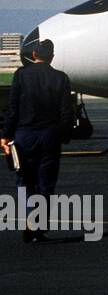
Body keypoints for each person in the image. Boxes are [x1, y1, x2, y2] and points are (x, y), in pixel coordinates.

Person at [1, 38, 74, 243]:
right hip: (49, 135)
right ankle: (39, 227)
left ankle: (29, 221)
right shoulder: (61, 78)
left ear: (34, 55)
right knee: (46, 183)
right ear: (51, 56)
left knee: (25, 180)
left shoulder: (21, 75)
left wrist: (5, 135)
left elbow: (13, 107)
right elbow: (66, 112)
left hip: (24, 135)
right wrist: (63, 135)